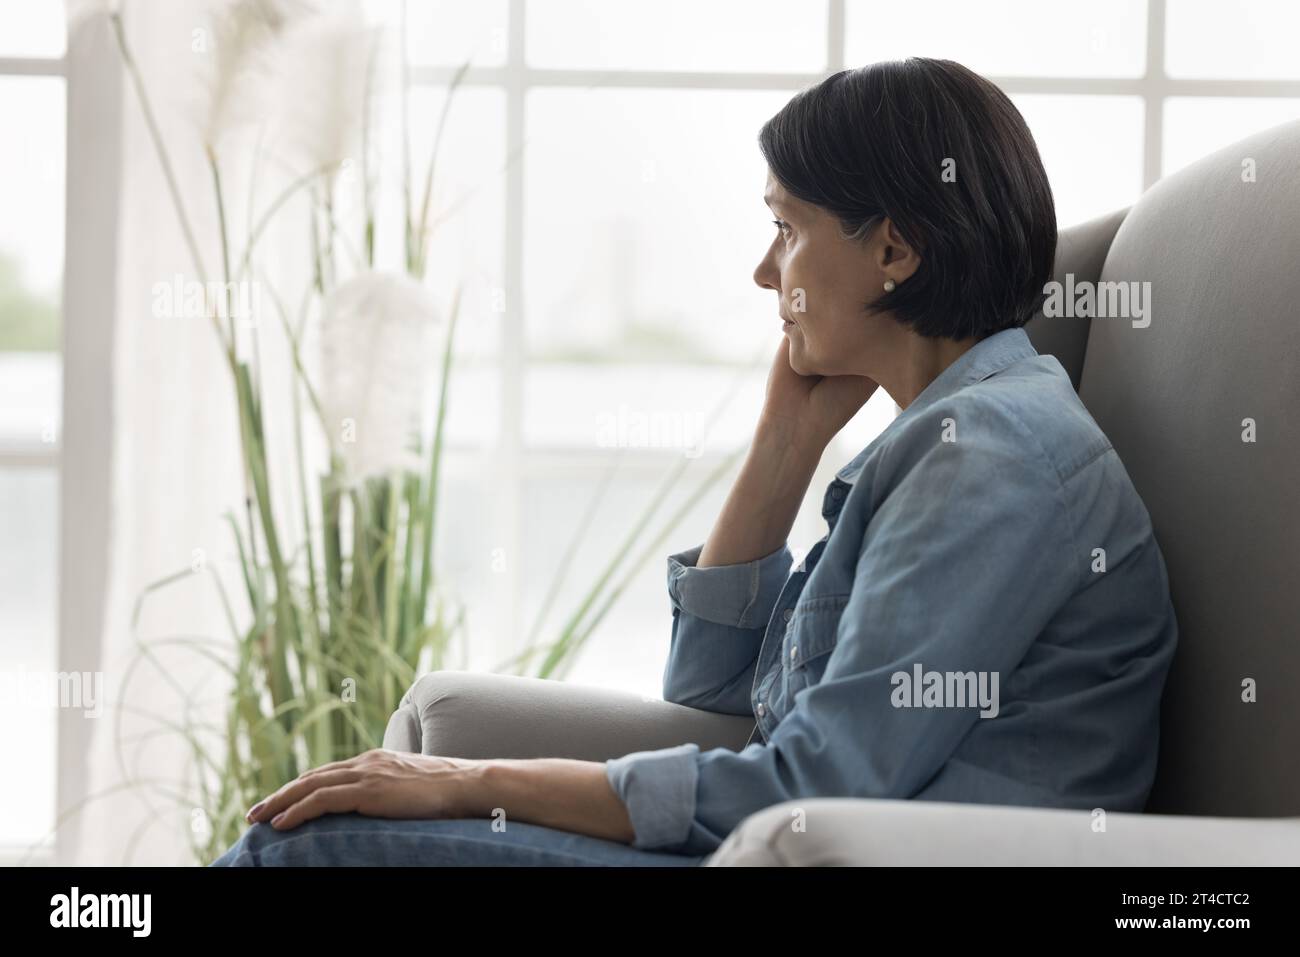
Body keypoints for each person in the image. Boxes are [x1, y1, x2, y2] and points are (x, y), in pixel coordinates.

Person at [212, 57, 1177, 867]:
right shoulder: (951, 436)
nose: (767, 272)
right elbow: (714, 692)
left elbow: (813, 787)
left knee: (310, 848)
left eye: (788, 228)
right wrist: (783, 442)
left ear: (895, 247)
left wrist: (467, 779)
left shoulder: (990, 459)